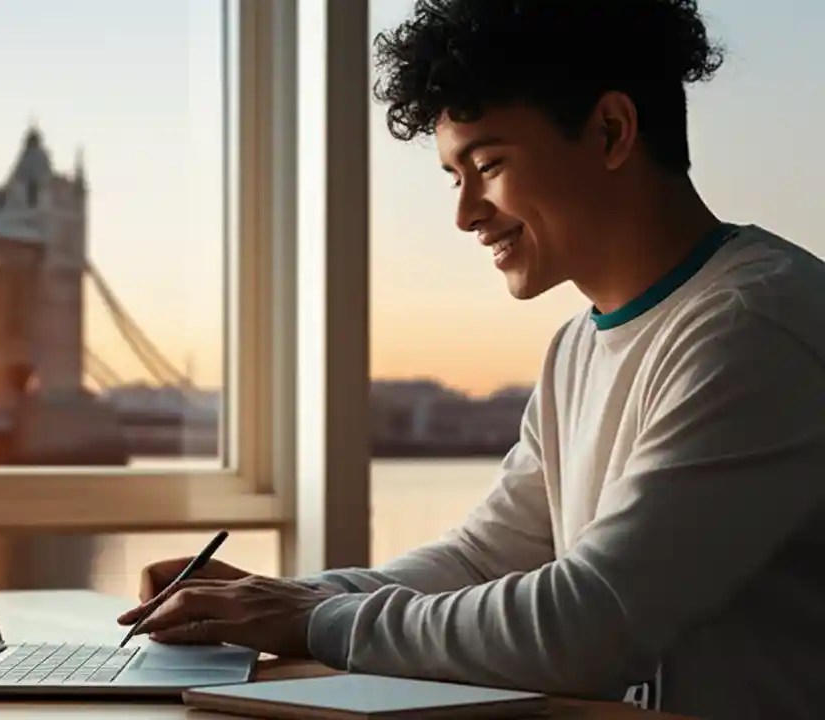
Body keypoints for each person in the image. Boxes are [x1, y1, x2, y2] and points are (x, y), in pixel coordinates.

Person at [116, 1, 825, 717]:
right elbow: (483, 560)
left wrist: (302, 620)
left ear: (612, 131)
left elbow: (589, 624)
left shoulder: (754, 326)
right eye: (456, 177)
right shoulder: (580, 345)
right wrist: (295, 598)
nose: (465, 214)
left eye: (487, 165)